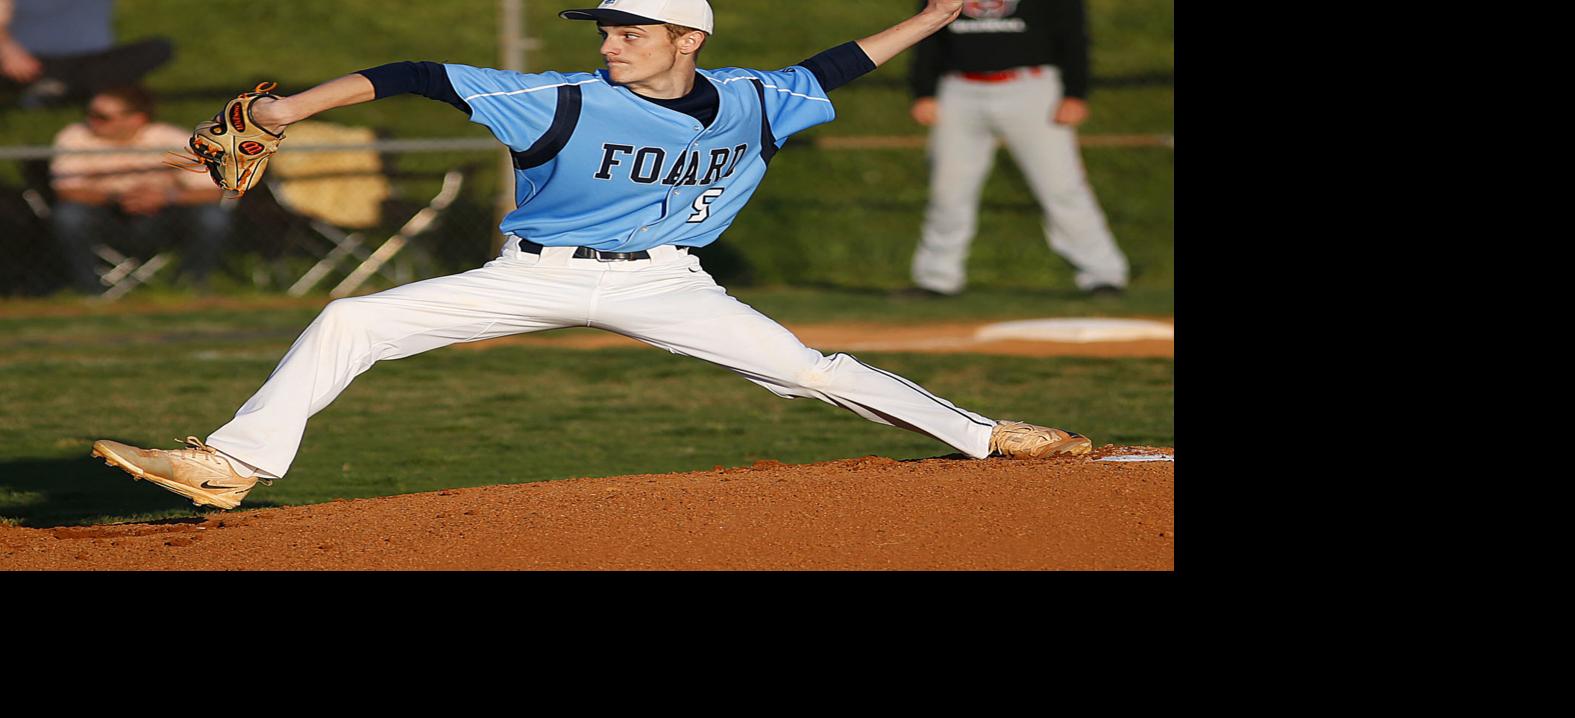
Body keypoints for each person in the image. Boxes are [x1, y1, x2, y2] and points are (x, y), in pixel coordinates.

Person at [90, 0, 1093, 512]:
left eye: (628, 28)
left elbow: (837, 65)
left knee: (810, 372)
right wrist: (285, 109)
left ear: (685, 38)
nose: (608, 40)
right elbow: (417, 73)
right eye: (604, 26)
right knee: (351, 318)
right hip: (532, 271)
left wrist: (935, 15)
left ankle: (984, 433)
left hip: (667, 283)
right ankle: (231, 461)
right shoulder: (562, 97)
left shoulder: (753, 98)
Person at [904, 0, 1128, 298]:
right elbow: (928, 30)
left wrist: (1076, 92)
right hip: (959, 88)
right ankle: (936, 278)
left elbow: (1074, 35)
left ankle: (1103, 274)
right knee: (948, 190)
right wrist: (924, 90)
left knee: (1061, 187)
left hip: (1031, 86)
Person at [48, 84, 233, 293]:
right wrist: (117, 197)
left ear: (137, 119)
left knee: (212, 217)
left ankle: (189, 285)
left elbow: (211, 191)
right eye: (88, 113)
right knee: (69, 215)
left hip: (163, 218)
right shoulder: (76, 136)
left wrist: (165, 197)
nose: (91, 121)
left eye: (102, 117)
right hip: (107, 216)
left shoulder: (170, 139)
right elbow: (66, 190)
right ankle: (87, 291)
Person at [0, 0, 173, 110]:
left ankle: (58, 89)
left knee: (158, 48)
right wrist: (8, 50)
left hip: (92, 60)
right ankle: (59, 90)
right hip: (34, 61)